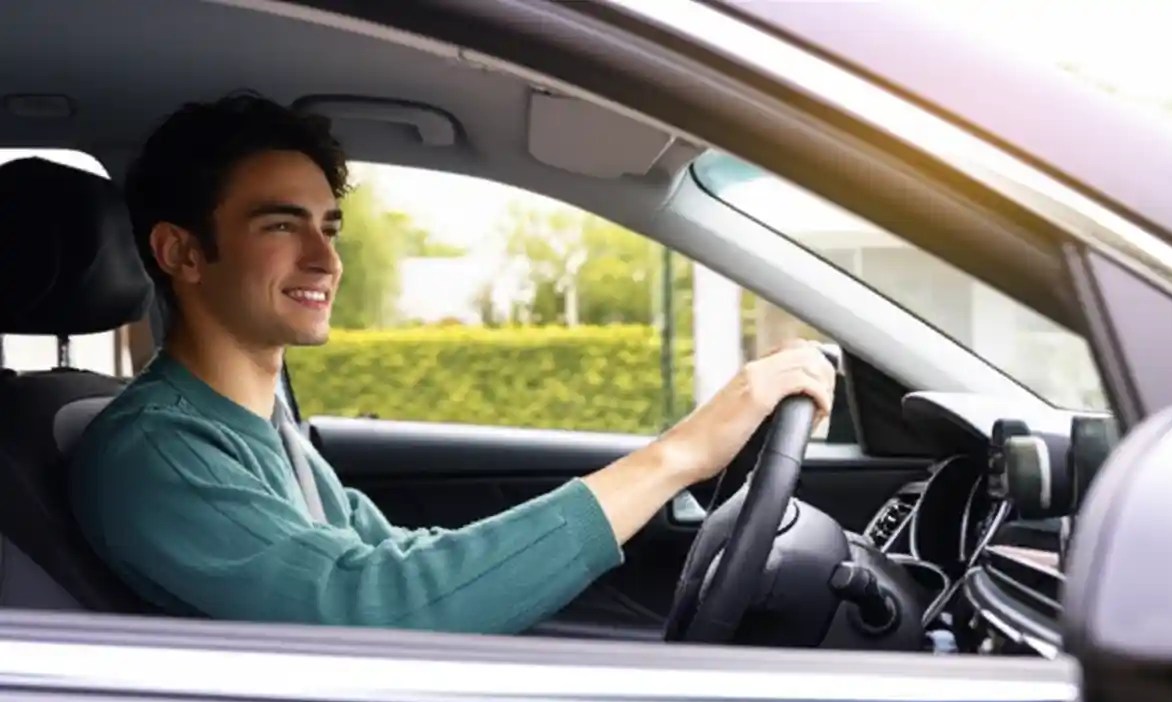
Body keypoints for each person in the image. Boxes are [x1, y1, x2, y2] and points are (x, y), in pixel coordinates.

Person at [69, 94, 836, 634]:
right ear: (181, 252)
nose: (325, 259)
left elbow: (393, 558)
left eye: (330, 227)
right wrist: (680, 456)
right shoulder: (156, 452)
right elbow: (372, 604)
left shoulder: (260, 429)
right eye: (281, 225)